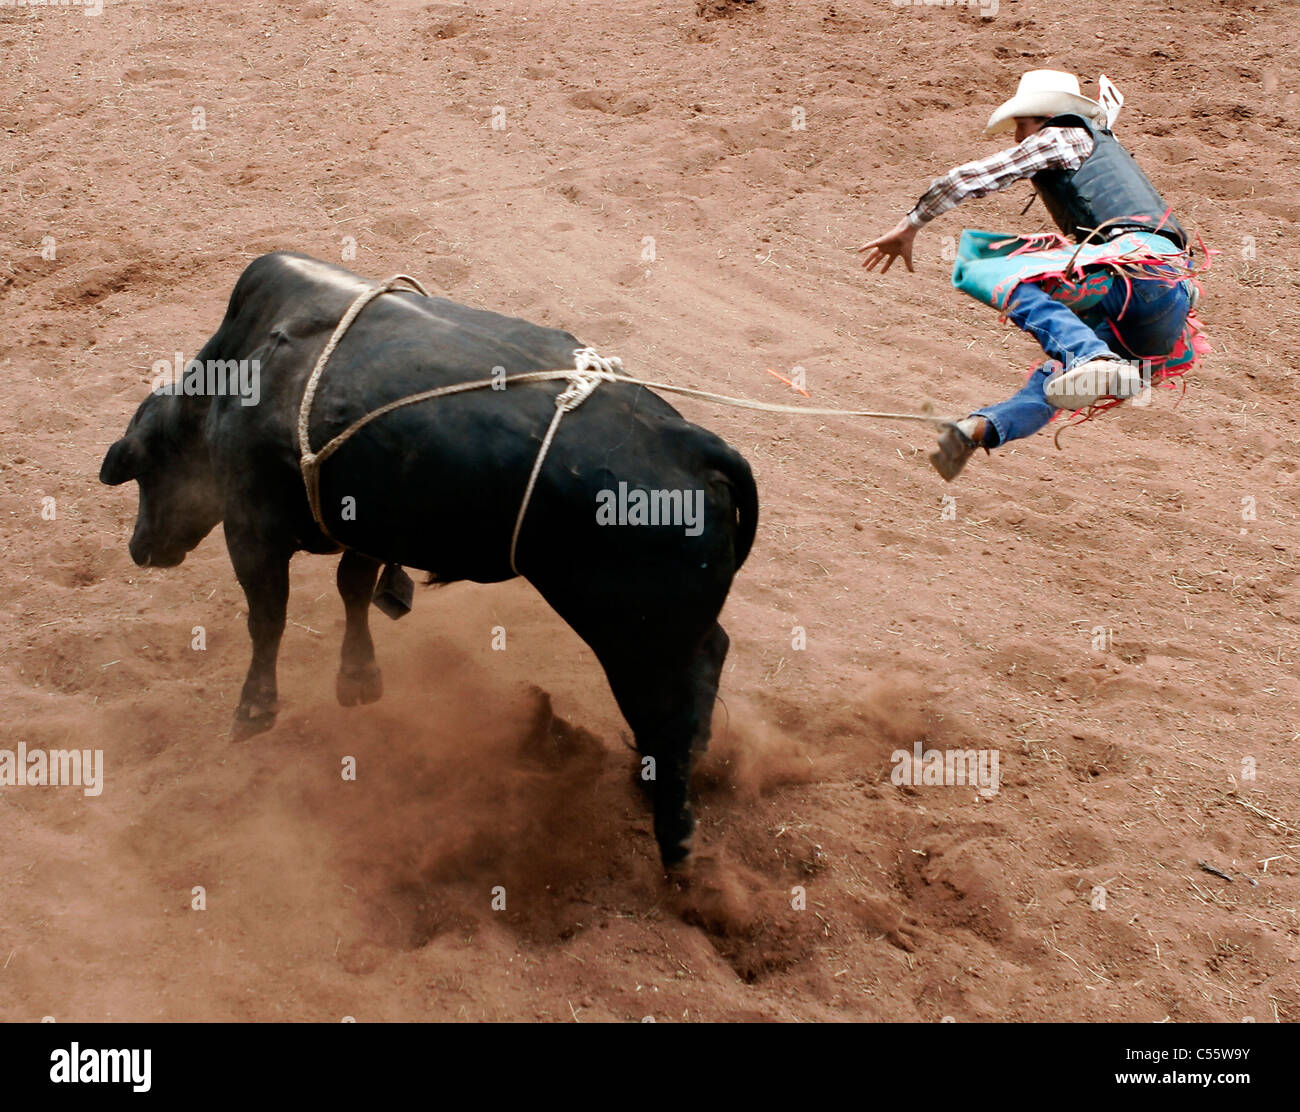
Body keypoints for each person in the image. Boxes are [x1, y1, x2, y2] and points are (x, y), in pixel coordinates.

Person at [860, 70, 1201, 480]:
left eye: (1022, 124)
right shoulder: (1098, 142)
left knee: (989, 266)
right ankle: (980, 429)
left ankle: (1091, 354)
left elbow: (974, 177)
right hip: (1168, 304)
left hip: (1132, 269)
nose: (1018, 135)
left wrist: (912, 223)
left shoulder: (1062, 136)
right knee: (1060, 376)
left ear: (1045, 116)